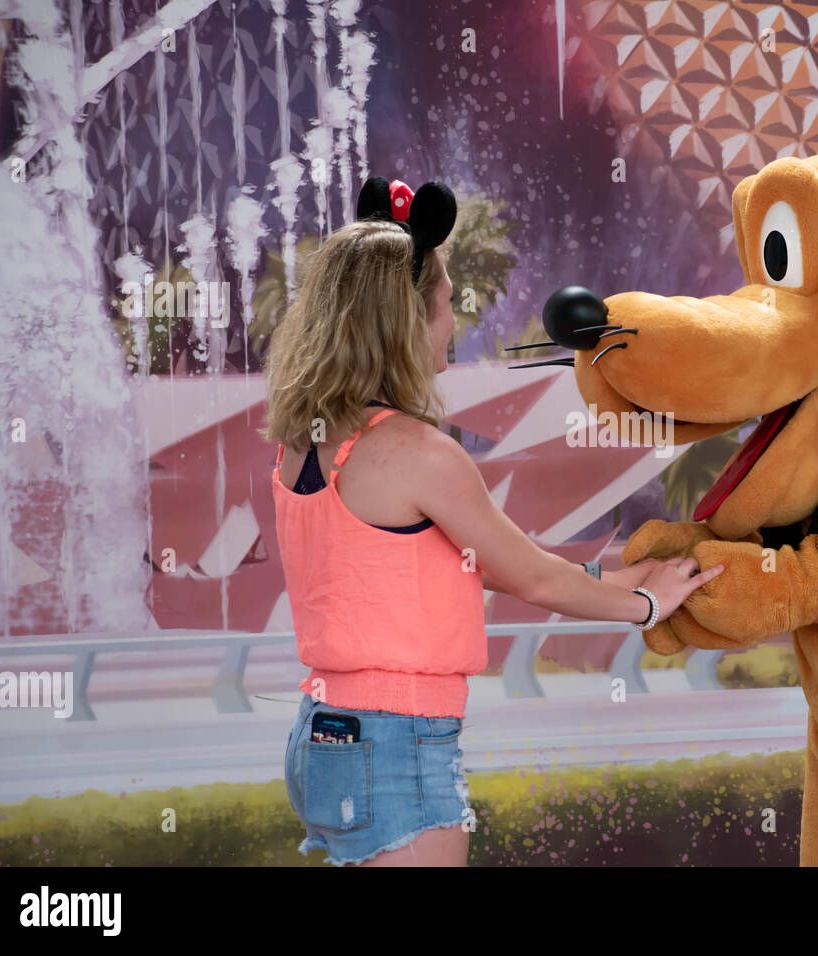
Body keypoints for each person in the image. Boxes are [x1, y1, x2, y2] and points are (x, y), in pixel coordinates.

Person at [261, 177, 722, 868]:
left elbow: (466, 566)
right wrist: (646, 603)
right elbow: (528, 576)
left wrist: (622, 574)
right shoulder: (419, 453)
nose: (454, 323)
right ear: (405, 319)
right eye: (446, 305)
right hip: (397, 747)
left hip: (324, 739)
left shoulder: (302, 441)